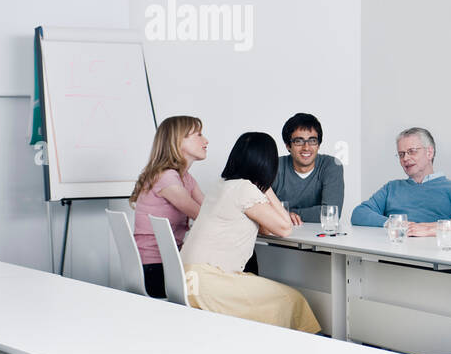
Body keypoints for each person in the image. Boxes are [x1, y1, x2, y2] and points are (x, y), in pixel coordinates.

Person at [180, 132, 320, 333]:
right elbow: (285, 228)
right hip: (209, 283)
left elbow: (262, 225)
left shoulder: (222, 185)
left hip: (187, 278)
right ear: (266, 163)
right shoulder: (245, 188)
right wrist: (265, 185)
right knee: (292, 299)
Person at [129, 116, 207, 297]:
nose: (206, 140)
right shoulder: (167, 177)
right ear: (178, 141)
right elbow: (203, 216)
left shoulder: (186, 178)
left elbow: (208, 210)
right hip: (156, 270)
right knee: (220, 284)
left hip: (165, 265)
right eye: (199, 135)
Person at [350, 127, 451, 229]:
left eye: (411, 151)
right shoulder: (392, 187)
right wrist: (393, 224)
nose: (405, 158)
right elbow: (359, 214)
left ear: (429, 153)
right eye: (401, 154)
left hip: (433, 253)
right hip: (392, 251)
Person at [272, 112, 344, 225]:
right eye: (298, 141)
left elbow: (331, 214)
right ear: (288, 145)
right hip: (281, 238)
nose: (306, 148)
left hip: (320, 239)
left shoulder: (331, 165)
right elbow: (259, 209)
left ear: (318, 144)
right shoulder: (274, 166)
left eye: (312, 141)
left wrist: (284, 214)